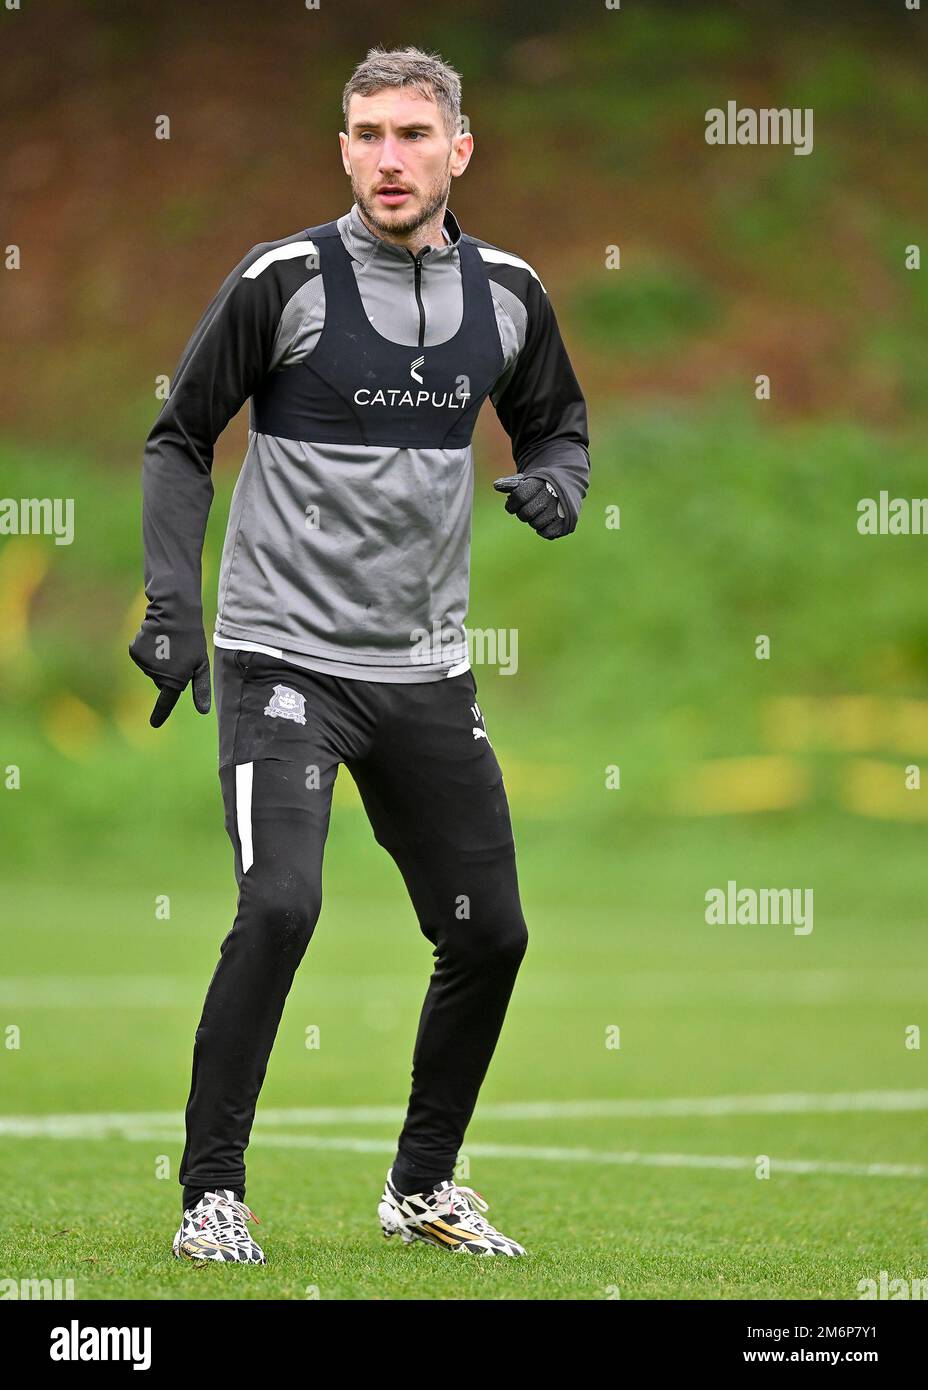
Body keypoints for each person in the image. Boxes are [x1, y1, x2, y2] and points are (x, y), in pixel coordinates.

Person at [129, 44, 590, 1262]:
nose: (390, 158)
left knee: (490, 929)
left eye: (412, 135)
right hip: (283, 658)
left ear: (458, 149)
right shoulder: (285, 280)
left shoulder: (510, 292)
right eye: (368, 135)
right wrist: (174, 603)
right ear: (343, 148)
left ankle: (422, 1184)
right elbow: (179, 439)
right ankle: (211, 1193)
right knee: (279, 904)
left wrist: (555, 483)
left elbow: (557, 422)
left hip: (423, 669)